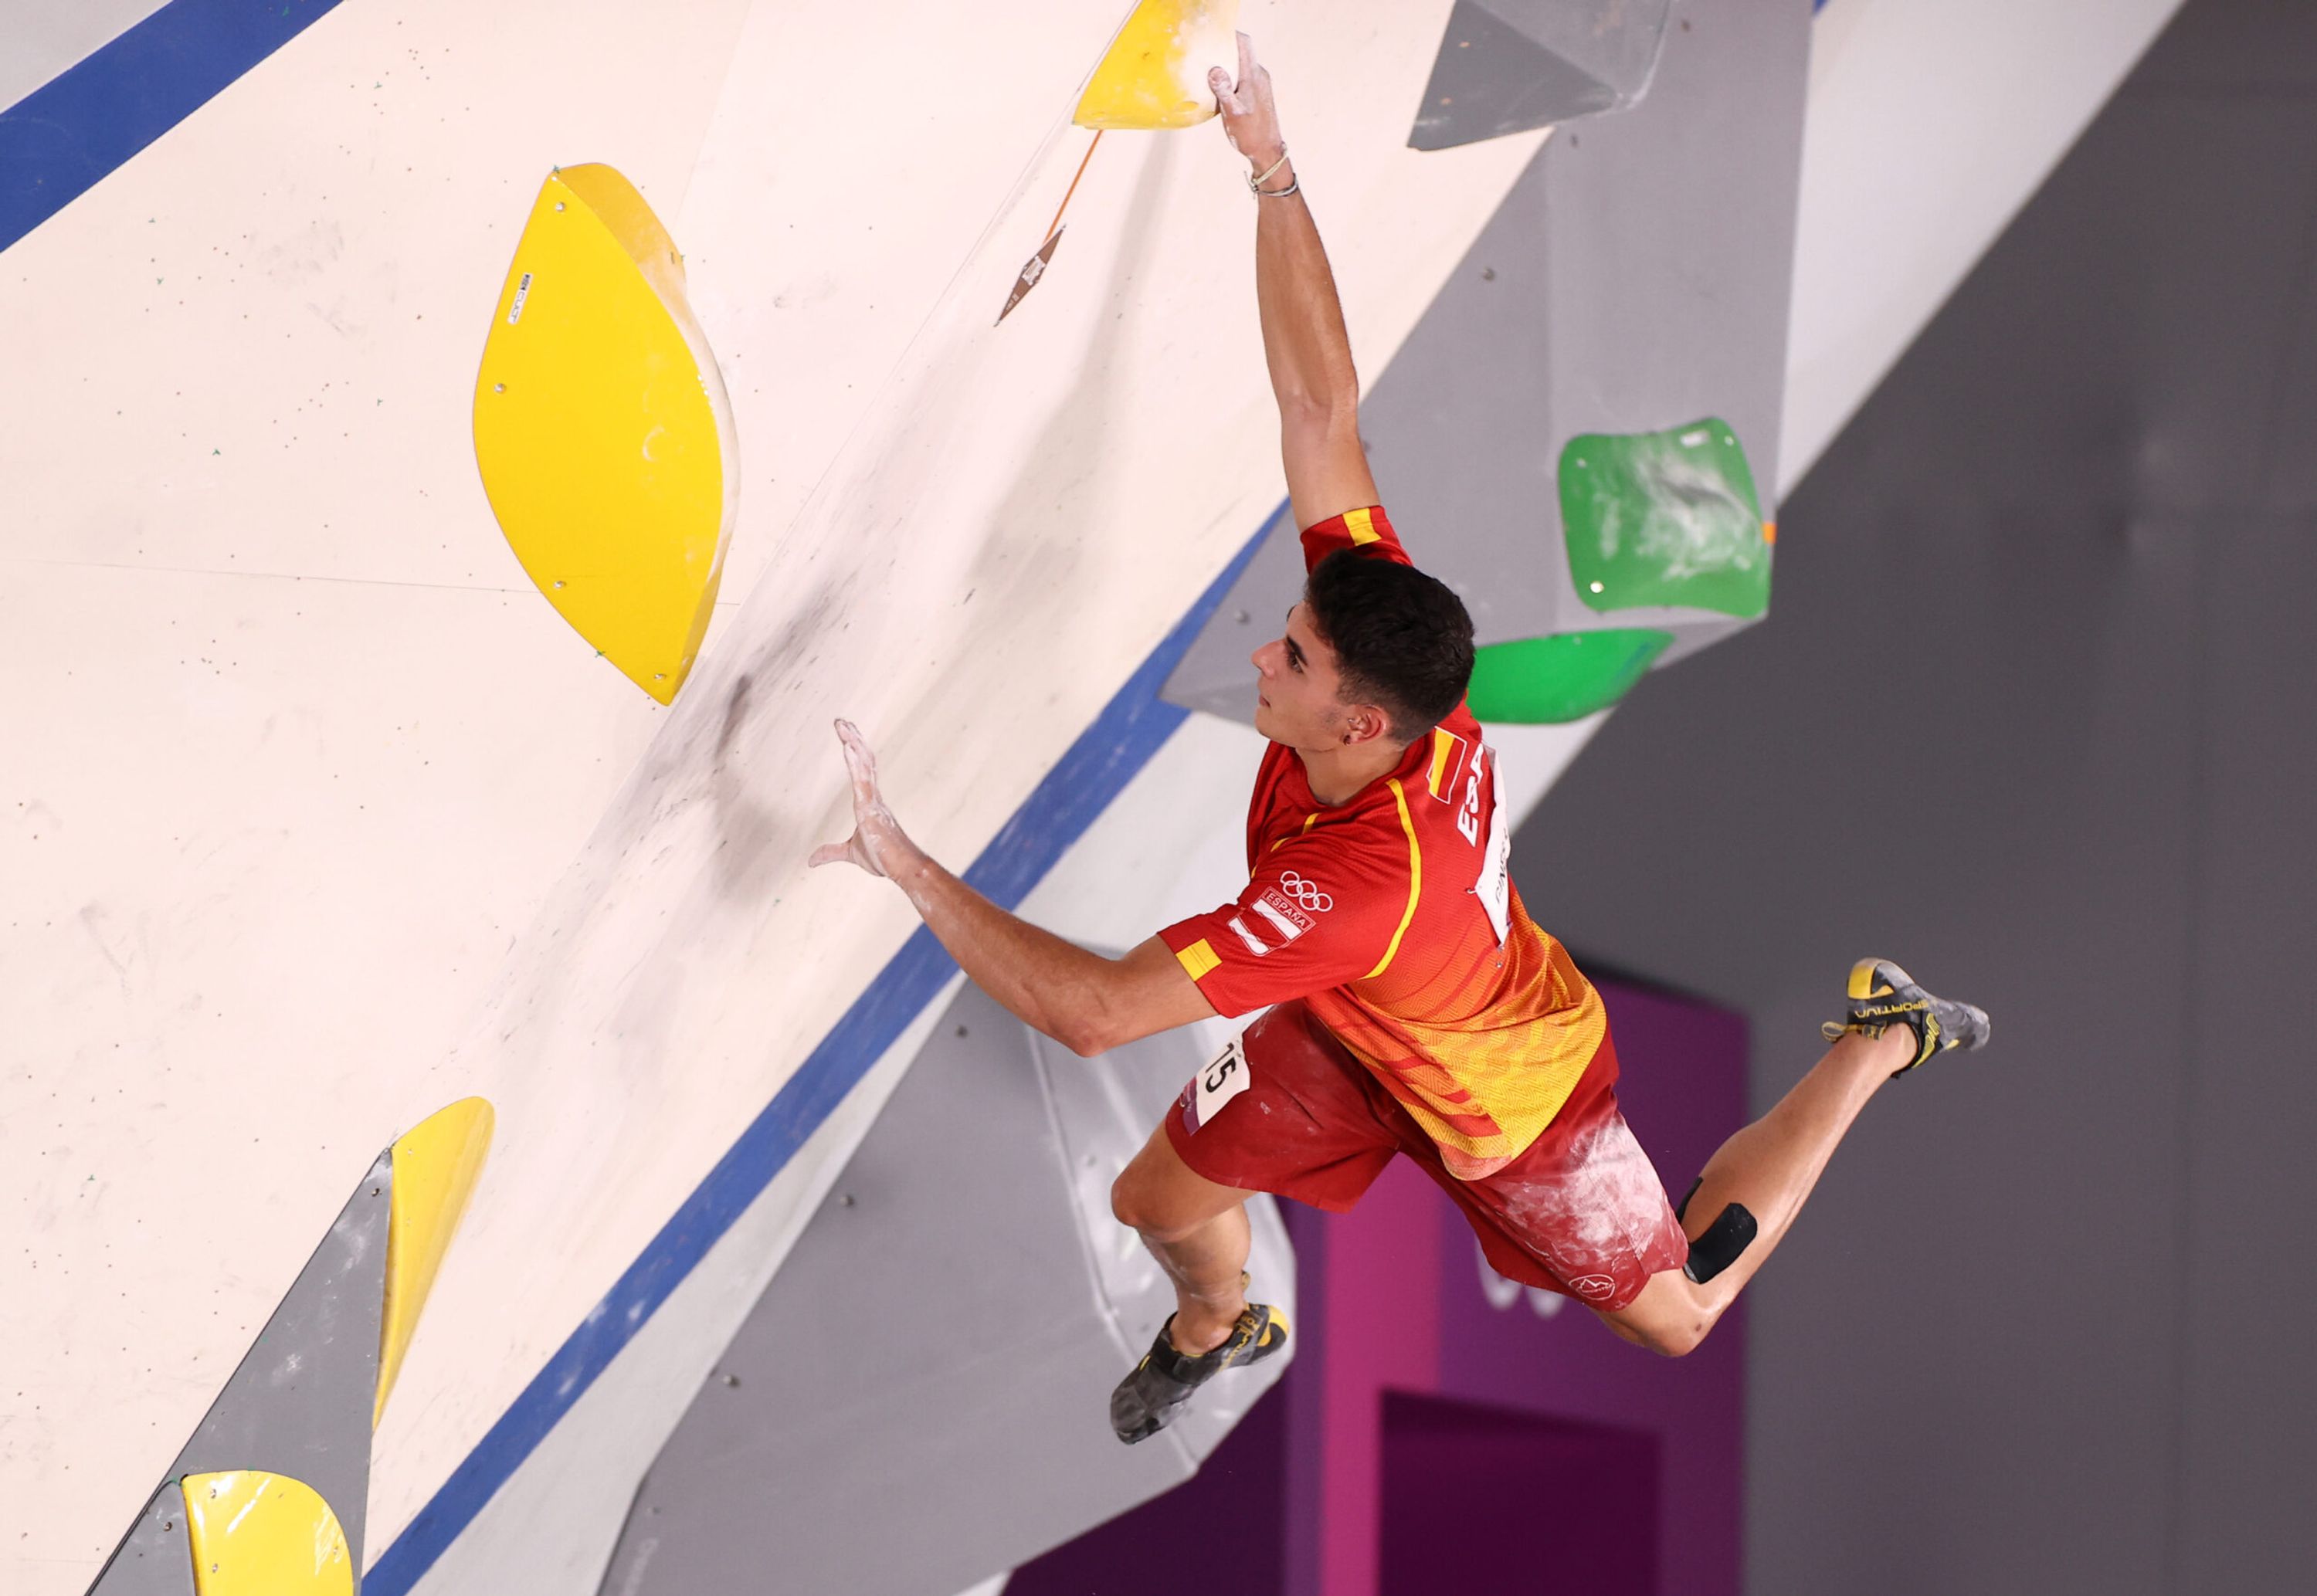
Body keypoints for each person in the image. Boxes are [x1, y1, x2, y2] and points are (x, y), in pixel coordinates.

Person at [811, 34, 1990, 1445]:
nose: (1266, 656)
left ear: (1362, 722)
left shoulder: (1359, 886)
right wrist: (1272, 165)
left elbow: (1095, 1015)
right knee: (1153, 1203)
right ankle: (1220, 1321)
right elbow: (1322, 409)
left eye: (1294, 661)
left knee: (1675, 1314)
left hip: (1516, 1108)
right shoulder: (1389, 654)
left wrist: (901, 858)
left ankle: (1882, 1037)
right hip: (1357, 1021)